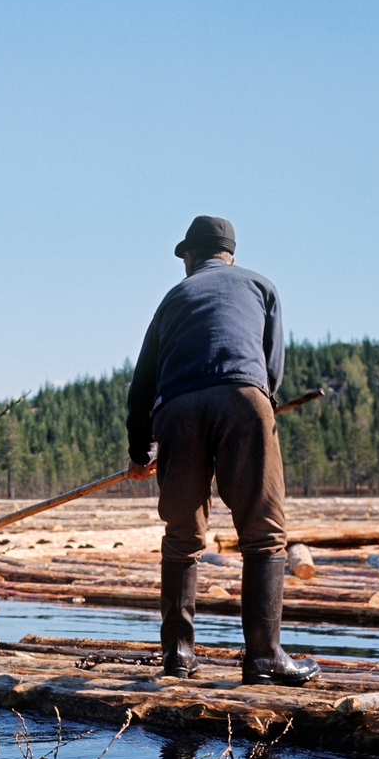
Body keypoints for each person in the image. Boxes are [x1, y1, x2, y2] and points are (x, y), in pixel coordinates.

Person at [125, 215, 319, 686]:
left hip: (177, 407)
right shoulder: (262, 286)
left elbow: (142, 384)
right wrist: (259, 405)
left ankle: (178, 654)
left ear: (191, 258)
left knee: (182, 535)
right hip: (243, 399)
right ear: (231, 255)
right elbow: (272, 365)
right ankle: (264, 657)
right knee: (264, 533)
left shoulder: (173, 298)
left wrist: (140, 450)